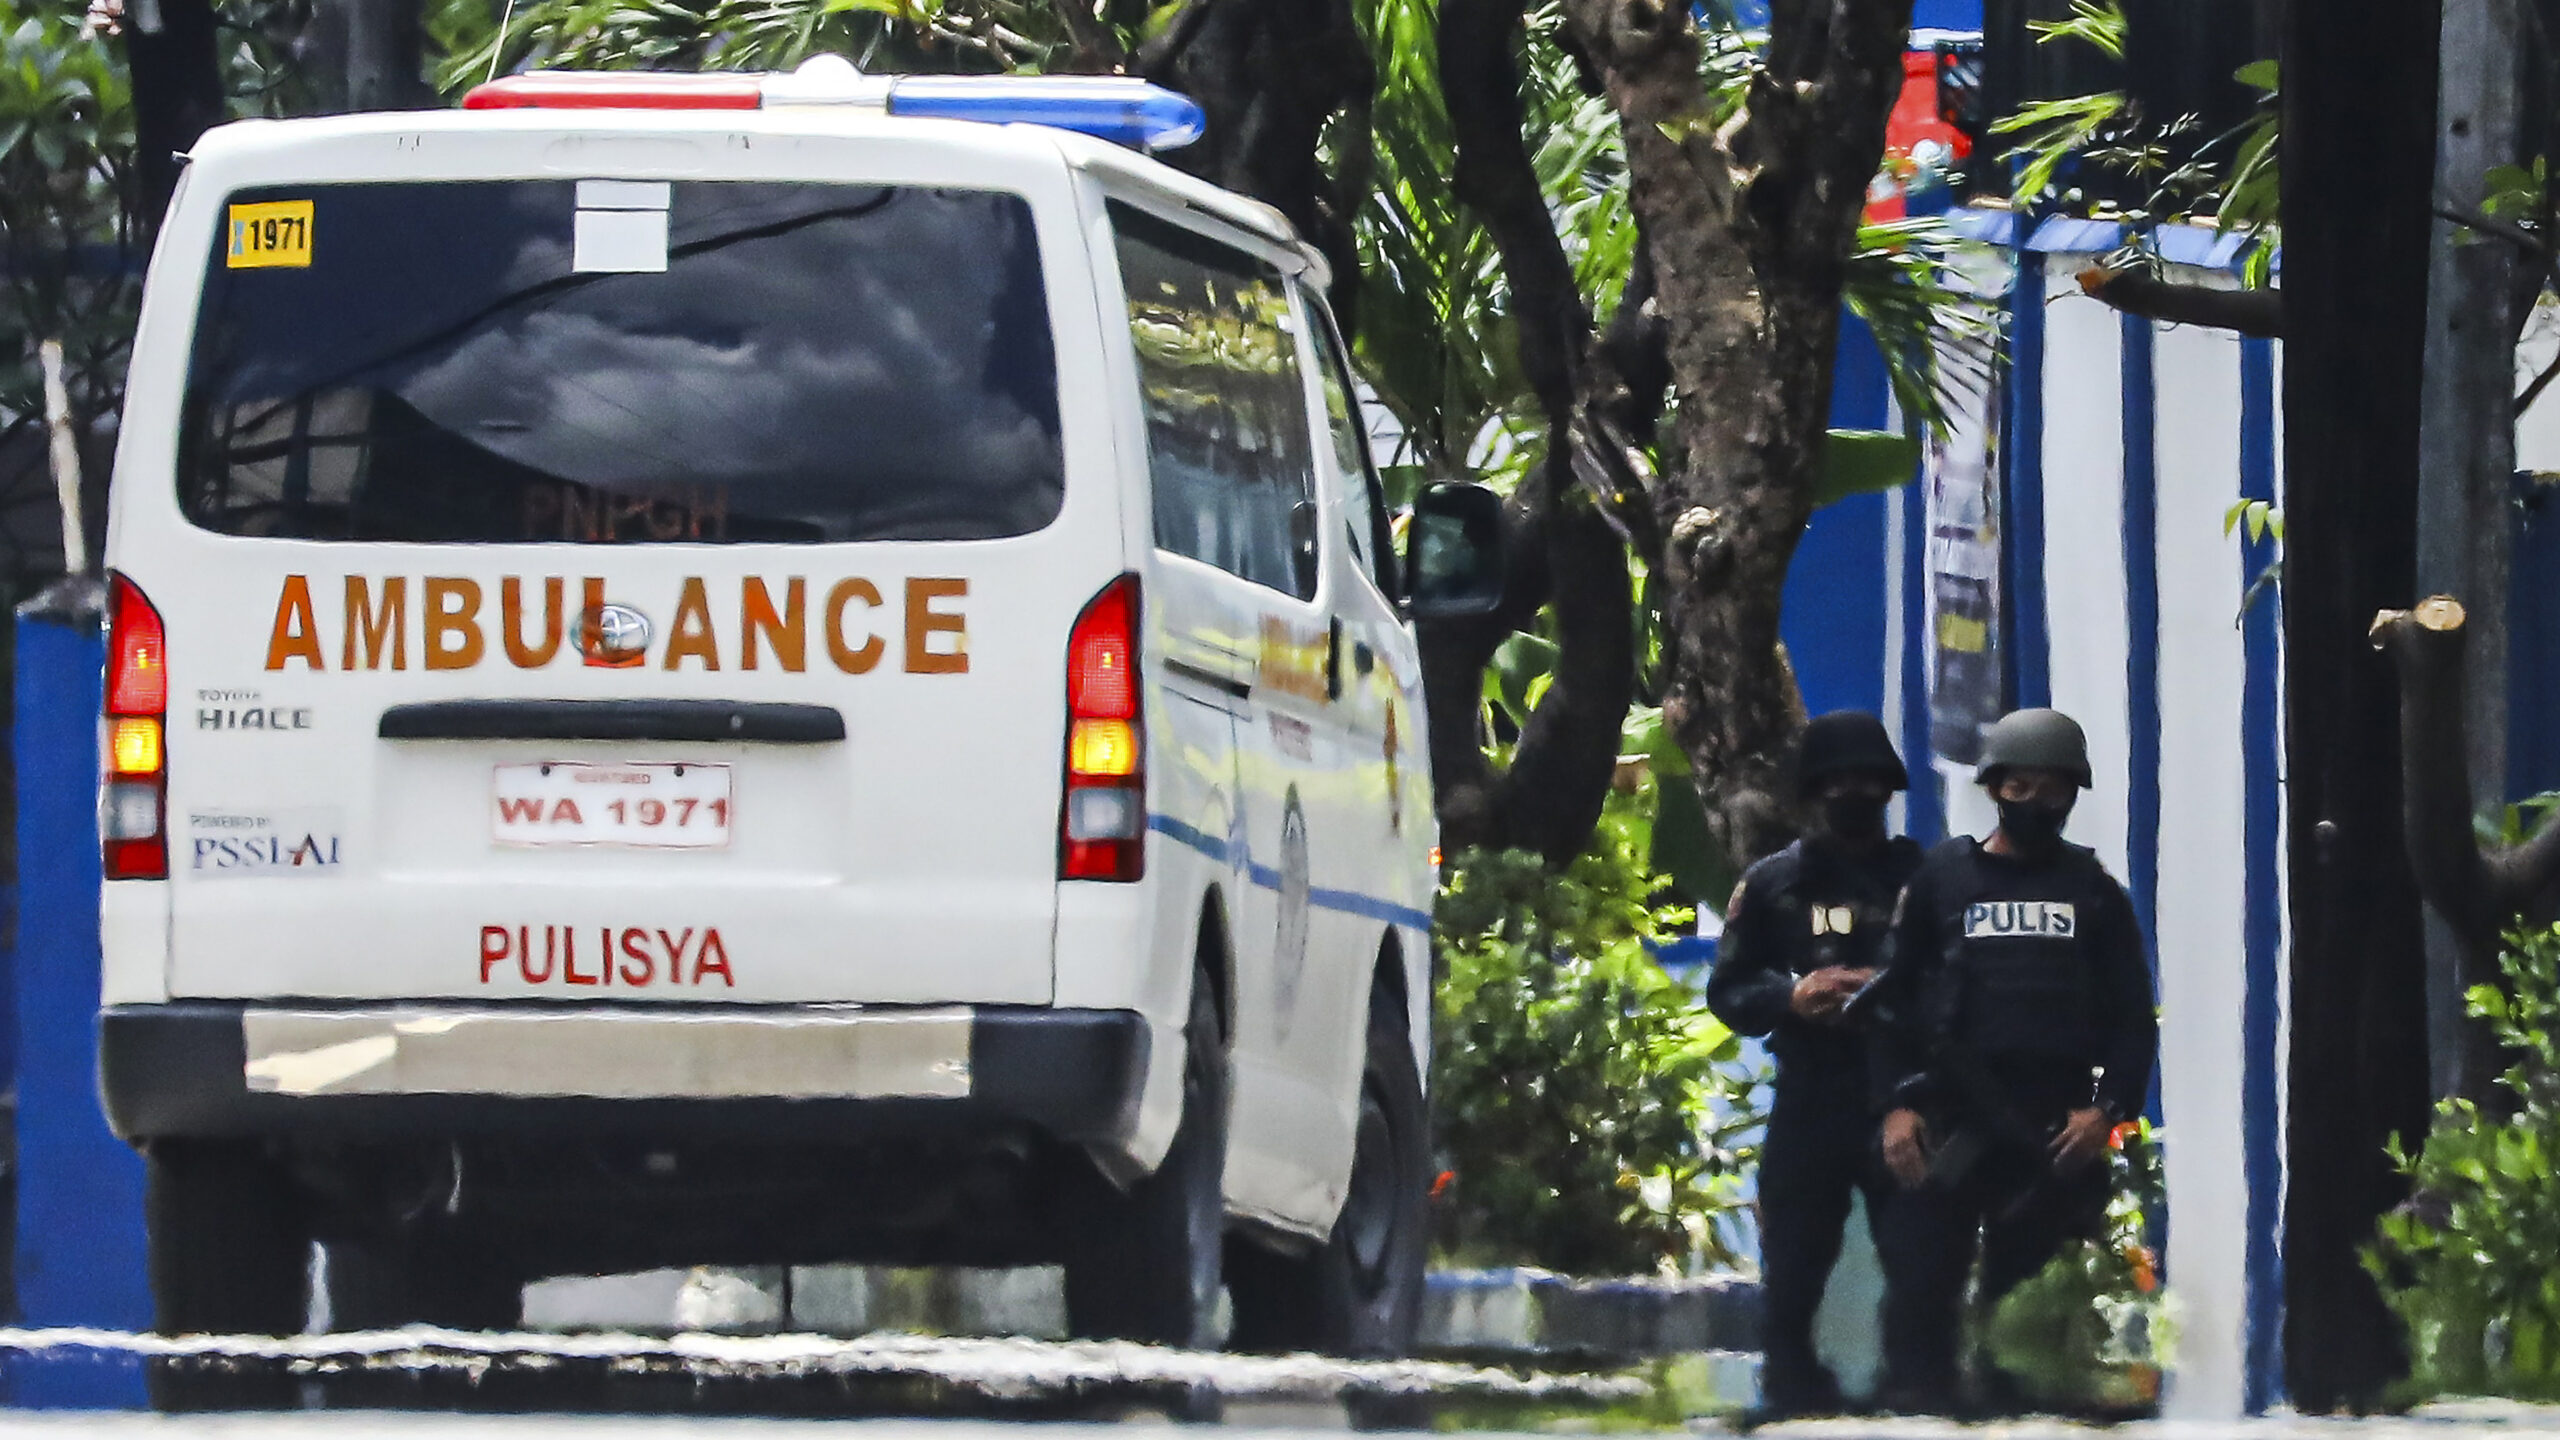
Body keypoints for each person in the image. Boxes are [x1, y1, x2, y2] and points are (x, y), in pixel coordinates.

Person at [1860, 707, 2159, 1414]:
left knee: (2025, 1314)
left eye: (2050, 791)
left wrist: (2106, 1111)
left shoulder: (2094, 894)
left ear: (2073, 795)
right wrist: (1897, 1106)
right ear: (1993, 788)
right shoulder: (1941, 882)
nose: (2032, 804)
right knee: (1922, 1295)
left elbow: (2130, 1021)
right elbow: (1891, 1003)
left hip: (2051, 1128)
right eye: (2017, 788)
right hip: (1950, 1119)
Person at [1705, 710, 1923, 1418]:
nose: (1853, 794)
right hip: (1812, 1096)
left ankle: (1917, 1399)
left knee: (1922, 1269)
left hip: (1904, 1094)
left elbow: (1961, 980)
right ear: (1812, 791)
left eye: (1868, 781)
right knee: (1794, 1271)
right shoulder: (1774, 885)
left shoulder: (1926, 879)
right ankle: (1790, 1400)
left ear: (1888, 790)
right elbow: (1729, 989)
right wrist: (1793, 997)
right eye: (1838, 783)